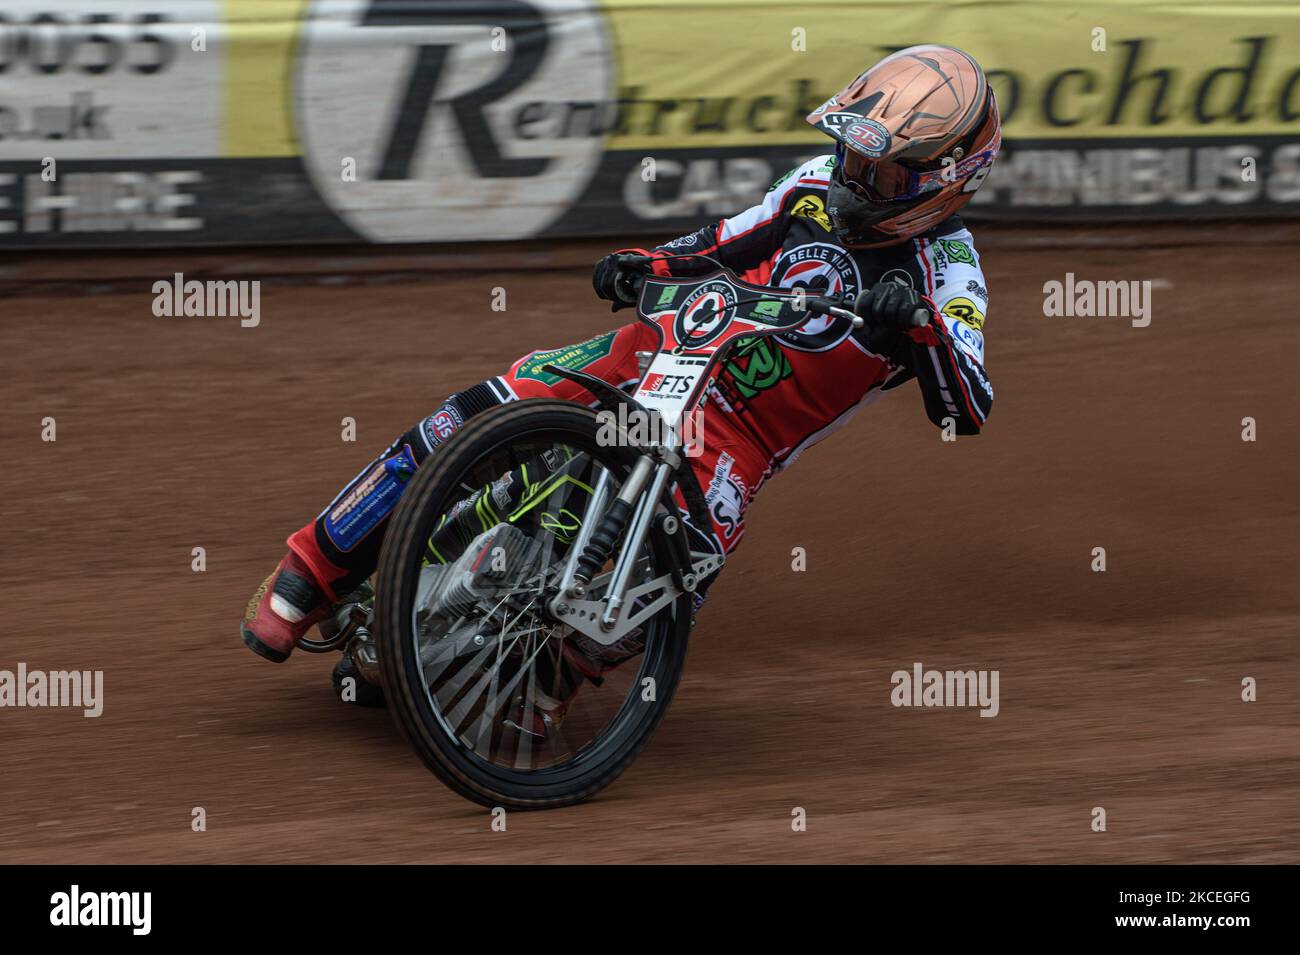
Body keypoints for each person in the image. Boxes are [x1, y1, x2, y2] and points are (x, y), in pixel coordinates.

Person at [241, 44, 1000, 731]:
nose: (855, 179)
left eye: (885, 173)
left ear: (946, 182)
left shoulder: (951, 274)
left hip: (738, 437)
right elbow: (718, 244)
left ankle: (547, 685)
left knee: (683, 568)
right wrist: (643, 262)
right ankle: (308, 573)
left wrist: (923, 325)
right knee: (476, 412)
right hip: (657, 347)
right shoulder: (813, 184)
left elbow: (968, 402)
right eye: (853, 157)